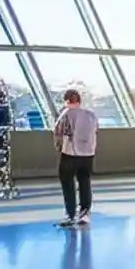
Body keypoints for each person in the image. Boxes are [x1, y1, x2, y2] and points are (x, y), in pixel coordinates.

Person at [53, 89, 98, 227]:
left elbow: (58, 132)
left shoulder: (66, 114)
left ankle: (70, 214)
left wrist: (59, 147)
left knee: (67, 183)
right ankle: (84, 214)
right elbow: (96, 130)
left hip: (71, 154)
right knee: (85, 182)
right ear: (79, 100)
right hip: (88, 154)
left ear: (66, 101)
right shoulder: (91, 115)